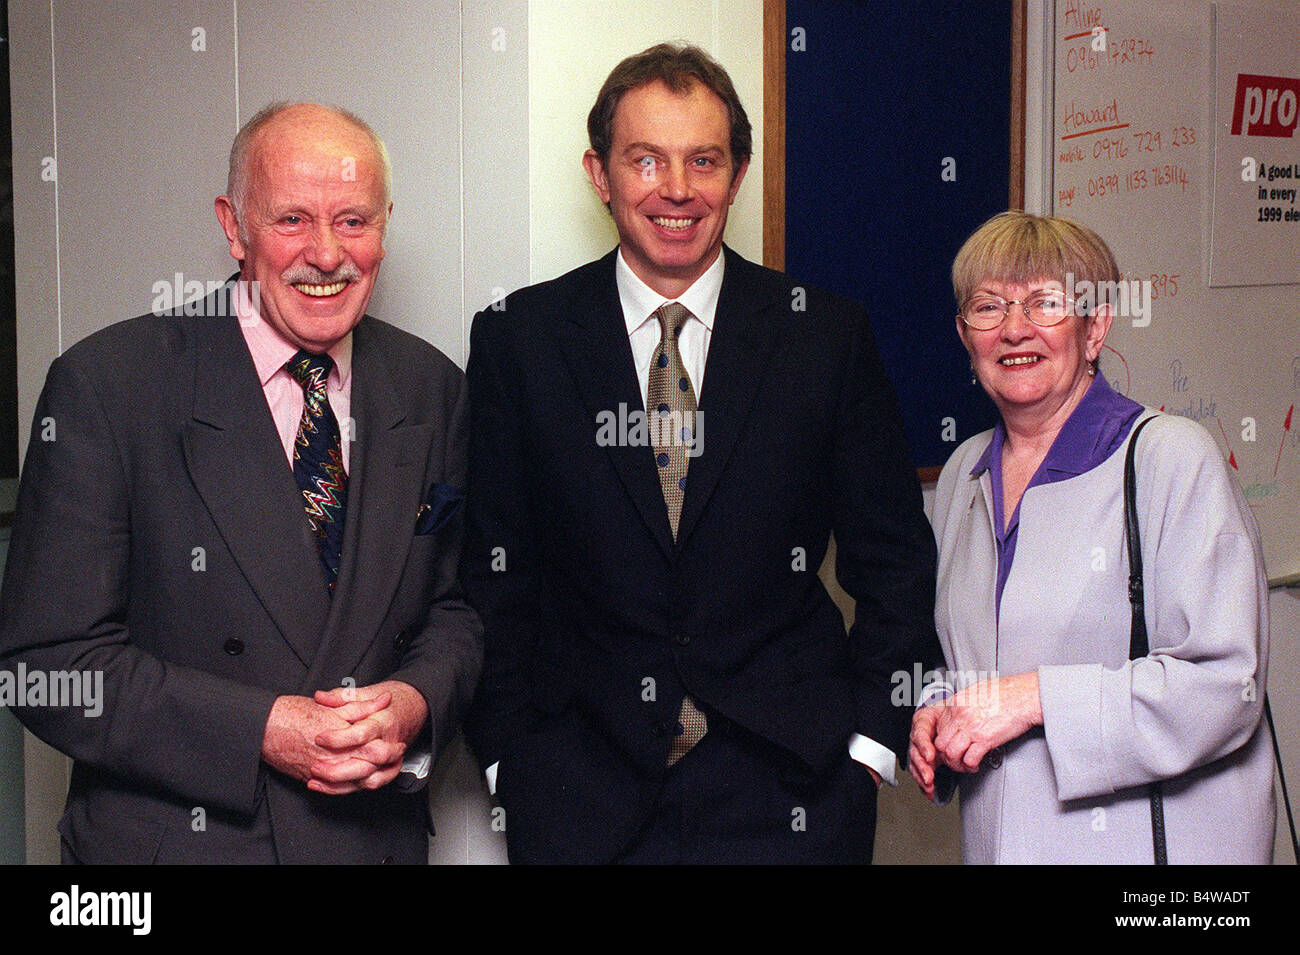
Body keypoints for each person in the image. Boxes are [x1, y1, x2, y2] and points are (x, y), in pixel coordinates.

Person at [462, 43, 940, 864]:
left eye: (703, 160)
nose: (675, 189)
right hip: (580, 798)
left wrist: (869, 745)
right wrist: (510, 757)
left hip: (793, 795)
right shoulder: (520, 338)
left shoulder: (822, 337)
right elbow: (494, 573)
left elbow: (894, 559)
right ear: (598, 172)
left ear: (738, 173)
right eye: (645, 159)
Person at [0, 102, 482, 864]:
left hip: (371, 847)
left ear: (385, 222)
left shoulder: (433, 388)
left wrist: (416, 700)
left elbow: (455, 608)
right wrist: (262, 729)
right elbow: (48, 665)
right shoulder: (109, 386)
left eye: (353, 221)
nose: (326, 254)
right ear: (233, 226)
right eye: (292, 218)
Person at [909, 210, 1276, 863]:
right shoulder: (965, 473)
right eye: (989, 307)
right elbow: (962, 655)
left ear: (1096, 325)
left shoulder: (1168, 460)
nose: (1015, 328)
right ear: (965, 335)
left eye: (1045, 303)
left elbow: (1227, 687)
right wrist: (940, 707)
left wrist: (1033, 696)